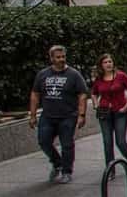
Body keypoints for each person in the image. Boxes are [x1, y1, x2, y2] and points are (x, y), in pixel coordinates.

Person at [29, 45, 87, 183]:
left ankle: (67, 171)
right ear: (51, 58)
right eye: (58, 57)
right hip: (48, 116)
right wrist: (32, 115)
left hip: (67, 116)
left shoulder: (74, 74)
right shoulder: (43, 74)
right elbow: (35, 94)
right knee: (43, 141)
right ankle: (57, 163)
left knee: (67, 144)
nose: (61, 59)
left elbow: (82, 95)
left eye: (63, 57)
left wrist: (81, 115)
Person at [90, 53, 127, 176]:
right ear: (101, 65)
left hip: (119, 112)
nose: (108, 64)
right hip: (105, 112)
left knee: (120, 141)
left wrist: (126, 107)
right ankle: (110, 169)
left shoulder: (121, 76)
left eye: (110, 61)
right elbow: (94, 93)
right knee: (107, 141)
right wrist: (96, 104)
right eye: (105, 62)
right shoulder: (99, 79)